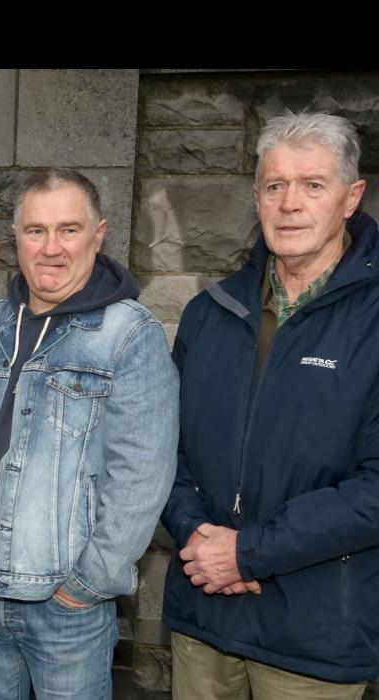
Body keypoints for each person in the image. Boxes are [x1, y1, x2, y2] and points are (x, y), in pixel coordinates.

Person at [0, 168, 179, 700]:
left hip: (65, 609)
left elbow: (142, 472)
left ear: (98, 235)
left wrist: (88, 584)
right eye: (36, 231)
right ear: (17, 238)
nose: (51, 247)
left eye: (68, 230)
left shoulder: (129, 335)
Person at [162, 111, 378, 699]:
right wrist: (195, 535)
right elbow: (161, 450)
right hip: (202, 615)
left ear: (350, 197)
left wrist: (249, 554)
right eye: (275, 185)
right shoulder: (210, 313)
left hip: (315, 634)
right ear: (256, 198)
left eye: (313, 185)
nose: (290, 203)